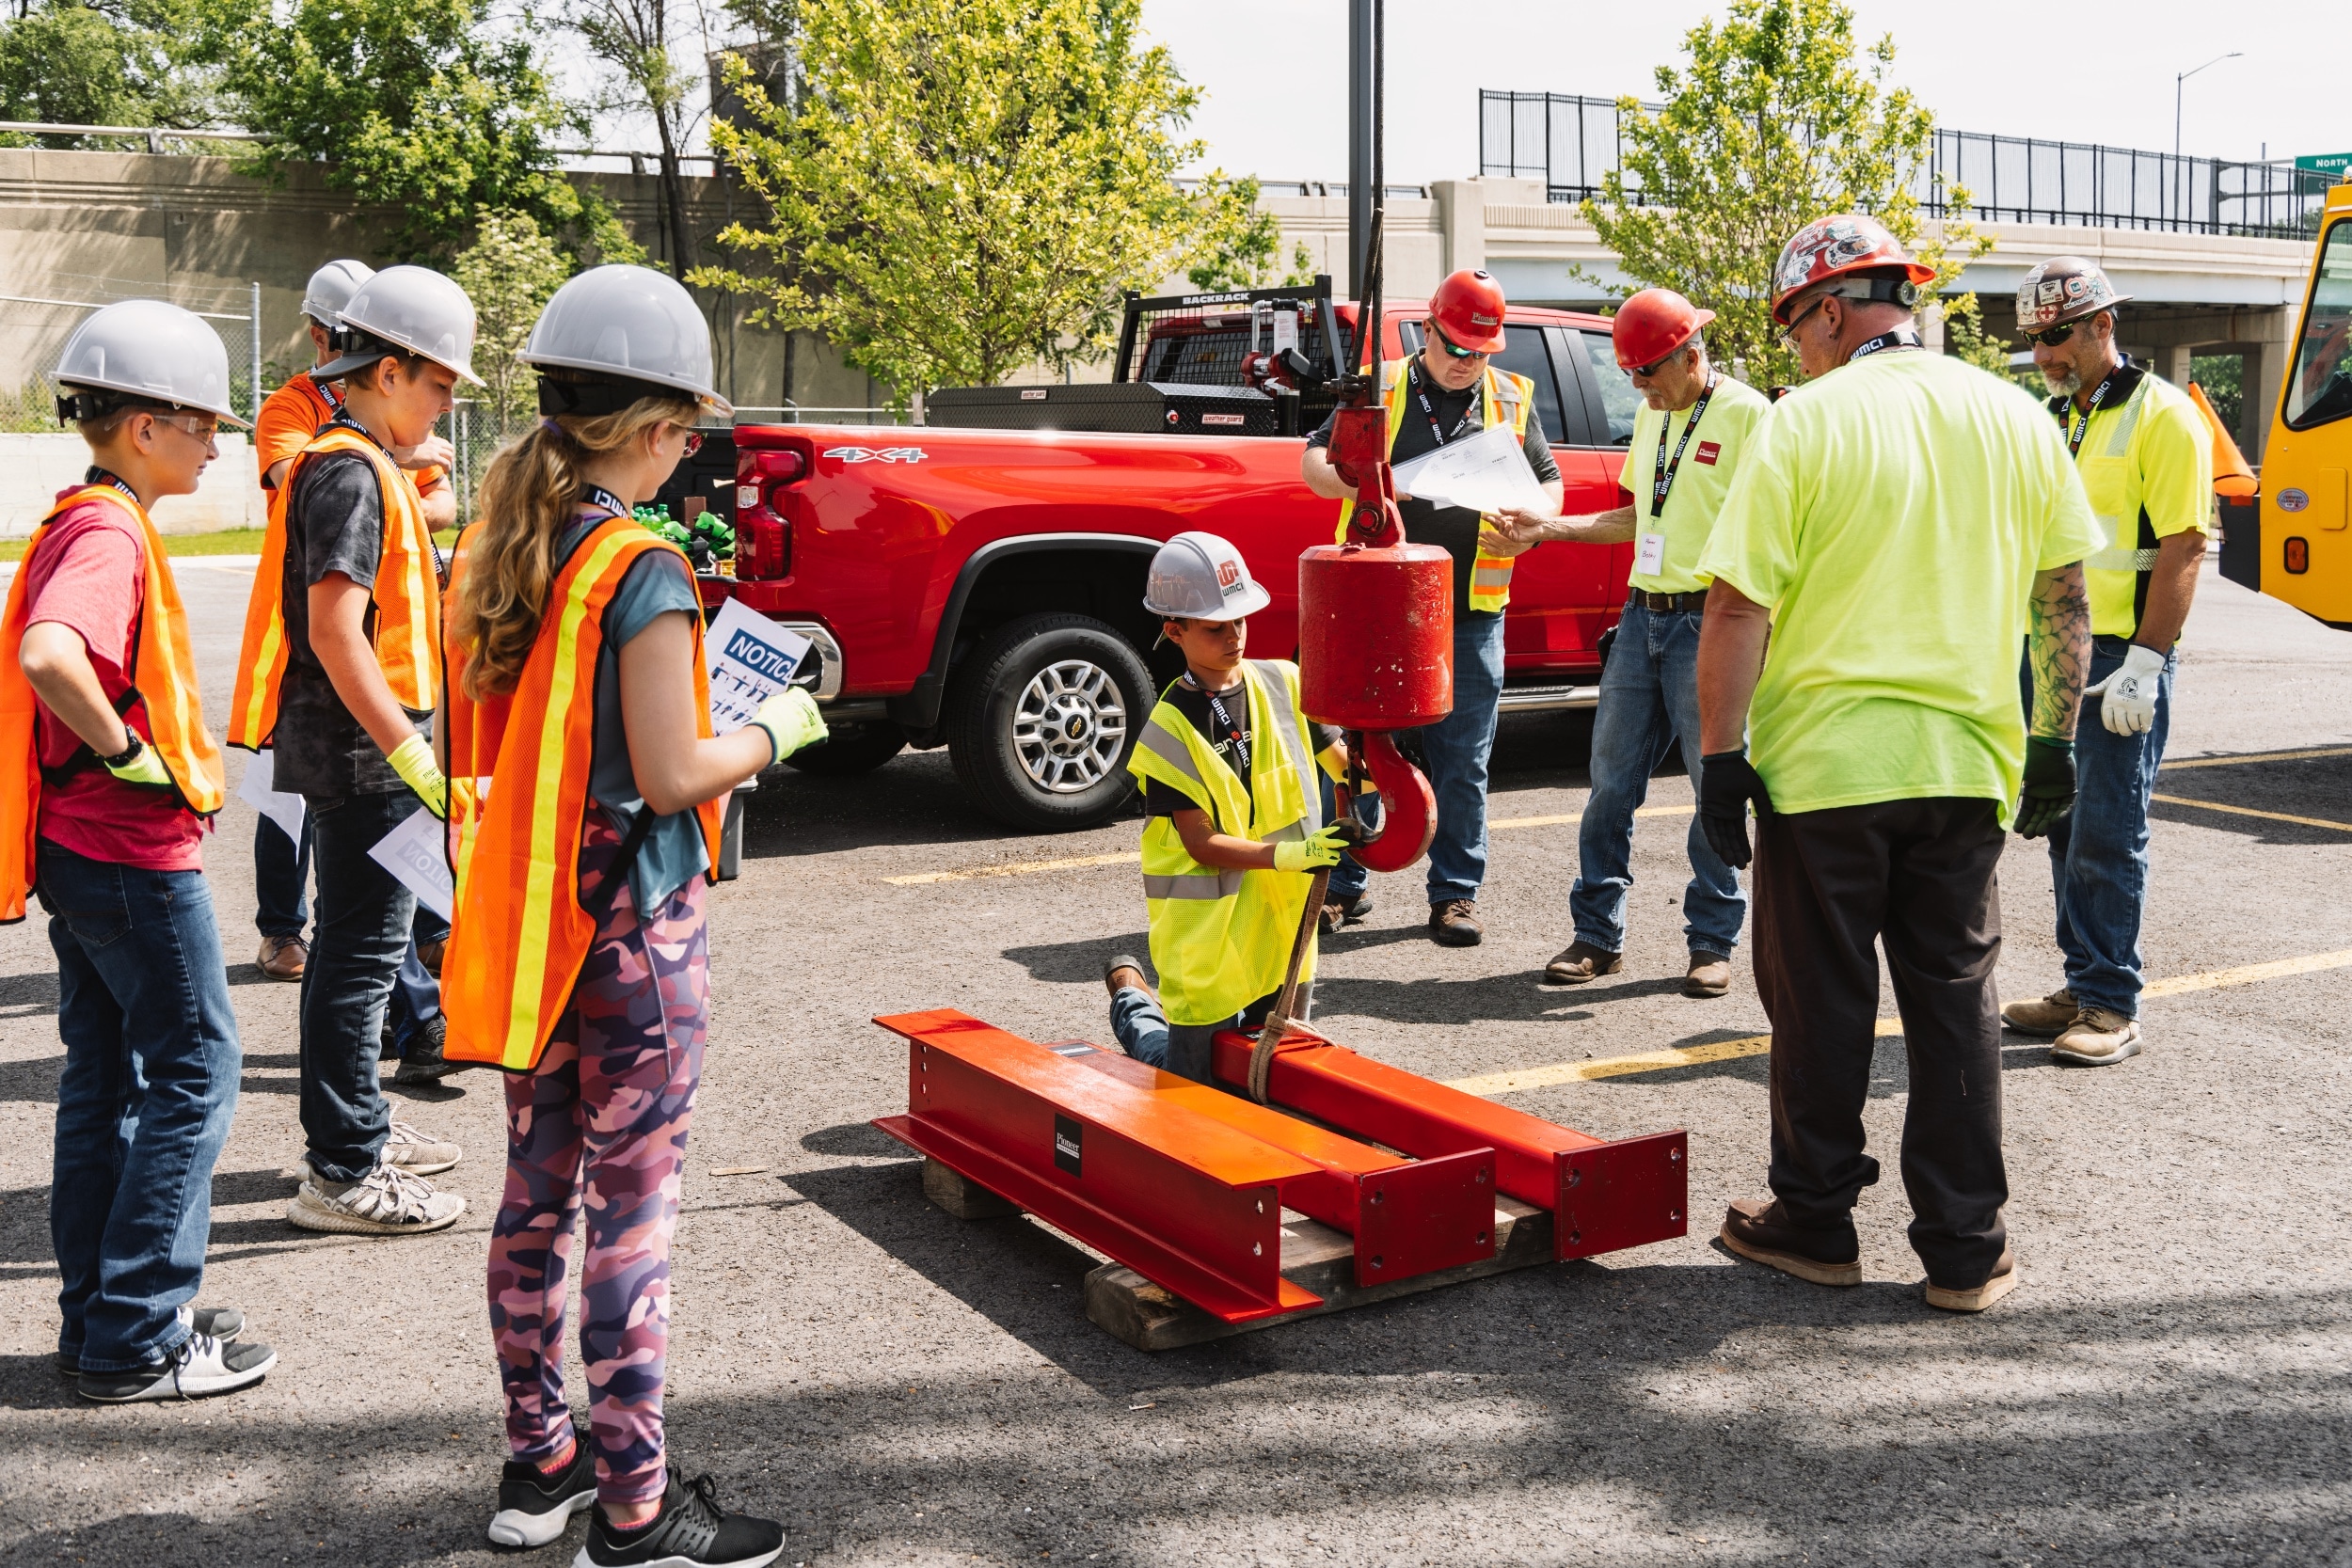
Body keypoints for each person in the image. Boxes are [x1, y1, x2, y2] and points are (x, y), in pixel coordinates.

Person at [442, 264, 816, 1566]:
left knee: (534, 1198)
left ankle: (539, 1459)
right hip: (632, 937)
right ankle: (639, 1507)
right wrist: (777, 726)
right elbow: (670, 771)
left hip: (535, 927)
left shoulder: (514, 544)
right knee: (633, 1218)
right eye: (689, 429)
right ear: (658, 426)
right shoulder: (641, 566)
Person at [1692, 214, 2104, 1314]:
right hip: (1966, 761)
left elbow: (1736, 605)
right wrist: (2053, 738)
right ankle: (1967, 1246)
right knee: (1955, 999)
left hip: (1824, 767)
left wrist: (1720, 758)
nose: (1796, 352)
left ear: (1830, 310)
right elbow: (2062, 596)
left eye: (1795, 330)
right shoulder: (2017, 417)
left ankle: (1814, 1219)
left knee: (1821, 1001)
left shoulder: (1802, 422)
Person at [2, 300, 277, 1400]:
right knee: (197, 1071)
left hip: (82, 848)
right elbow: (51, 652)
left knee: (108, 1077)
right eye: (203, 424)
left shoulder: (86, 517)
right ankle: (136, 1335)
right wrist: (127, 753)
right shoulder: (111, 534)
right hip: (127, 852)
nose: (216, 444)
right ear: (144, 425)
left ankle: (101, 1320)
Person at [261, 264, 479, 1236]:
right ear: (388, 371)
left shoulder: (358, 461)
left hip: (360, 747)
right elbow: (336, 630)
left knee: (359, 951)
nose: (444, 406)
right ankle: (345, 1168)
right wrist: (408, 753)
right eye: (439, 383)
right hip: (366, 754)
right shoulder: (351, 470)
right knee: (362, 956)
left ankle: (358, 1131)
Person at [1496, 288, 1769, 997]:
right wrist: (1548, 528)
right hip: (1641, 618)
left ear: (1690, 356)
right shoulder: (1654, 417)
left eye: (1647, 373)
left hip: (1710, 623)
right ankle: (1597, 936)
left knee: (1712, 787)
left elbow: (1775, 530)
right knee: (1610, 787)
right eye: (1630, 375)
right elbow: (1638, 518)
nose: (1638, 388)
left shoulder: (1750, 417)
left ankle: (1712, 941)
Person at [1299, 268, 1563, 946]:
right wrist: (1364, 481)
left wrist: (1532, 521)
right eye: (1455, 348)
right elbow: (1314, 463)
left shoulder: (1511, 397)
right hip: (1378, 607)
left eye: (1480, 352)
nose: (1467, 362)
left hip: (1471, 612)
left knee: (1463, 761)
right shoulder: (1382, 386)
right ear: (1427, 332)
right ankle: (1344, 887)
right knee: (1356, 751)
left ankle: (1455, 895)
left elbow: (1549, 485)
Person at [1999, 257, 2213, 1068]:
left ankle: (2112, 1002)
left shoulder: (2164, 416)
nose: (2044, 354)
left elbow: (2184, 545)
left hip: (2122, 652)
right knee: (2063, 821)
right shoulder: (2053, 417)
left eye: (2056, 336)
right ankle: (2082, 979)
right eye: (2034, 339)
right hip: (2054, 647)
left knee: (2107, 831)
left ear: (2102, 325)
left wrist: (2148, 660)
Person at [1103, 533, 1353, 1084]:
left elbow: (1343, 767)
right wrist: (1291, 856)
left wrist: (1379, 765)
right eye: (1214, 627)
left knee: (1275, 1074)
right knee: (1191, 1082)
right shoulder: (1168, 729)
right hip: (1207, 935)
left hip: (1280, 922)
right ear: (1174, 630)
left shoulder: (1284, 683)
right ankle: (1133, 1000)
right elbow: (1199, 843)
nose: (1234, 636)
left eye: (1239, 620)